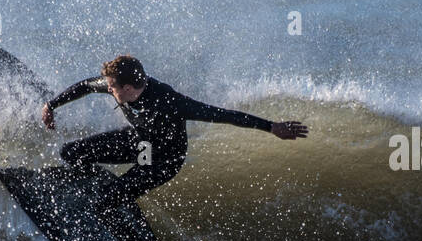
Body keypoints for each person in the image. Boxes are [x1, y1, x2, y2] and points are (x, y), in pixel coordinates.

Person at [41, 55, 308, 206]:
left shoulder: (169, 102)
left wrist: (271, 127)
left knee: (109, 200)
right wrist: (52, 105)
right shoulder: (121, 84)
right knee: (71, 152)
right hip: (138, 140)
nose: (108, 90)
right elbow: (87, 85)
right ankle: (94, 188)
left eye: (112, 87)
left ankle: (113, 217)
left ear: (129, 89)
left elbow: (220, 114)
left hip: (163, 161)